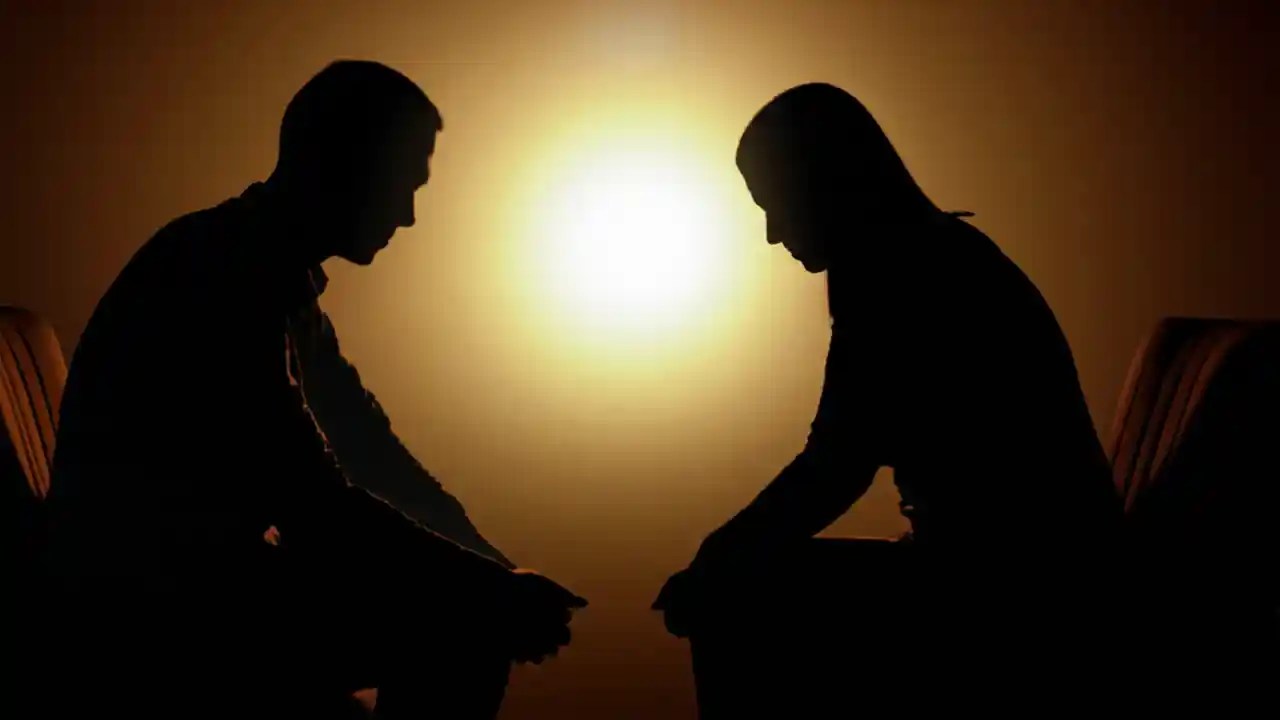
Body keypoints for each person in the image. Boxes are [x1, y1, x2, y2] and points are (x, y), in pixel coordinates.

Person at [42, 60, 584, 720]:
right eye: (403, 183)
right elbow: (312, 501)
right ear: (345, 162)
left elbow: (371, 450)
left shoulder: (265, 274)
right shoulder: (223, 275)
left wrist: (490, 567)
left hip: (194, 583)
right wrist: (489, 589)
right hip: (143, 607)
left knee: (468, 610)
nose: (409, 215)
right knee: (467, 631)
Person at [653, 83, 1124, 714]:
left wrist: (719, 556)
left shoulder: (901, 273)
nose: (771, 234)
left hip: (1022, 595)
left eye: (774, 204)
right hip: (1010, 573)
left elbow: (836, 466)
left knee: (736, 594)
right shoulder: (925, 254)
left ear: (821, 181)